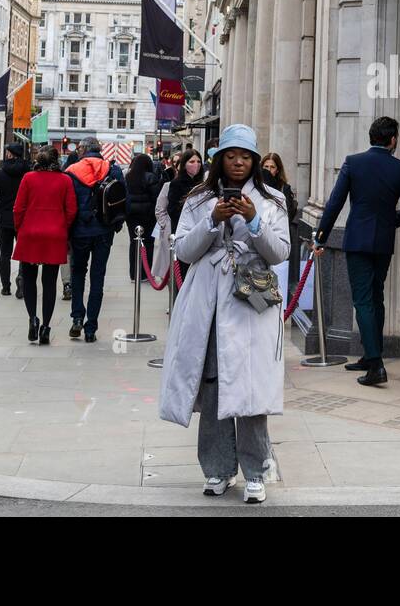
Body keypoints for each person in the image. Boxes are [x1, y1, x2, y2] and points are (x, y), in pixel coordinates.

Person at [159, 124, 291, 504]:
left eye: (245, 157)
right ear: (220, 161)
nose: (237, 162)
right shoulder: (199, 198)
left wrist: (253, 220)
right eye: (231, 156)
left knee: (251, 388)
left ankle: (255, 471)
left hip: (251, 302)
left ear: (254, 161)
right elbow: (183, 250)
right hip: (208, 302)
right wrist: (212, 219)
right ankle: (217, 469)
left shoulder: (273, 200)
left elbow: (279, 252)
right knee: (214, 384)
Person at [314, 116, 400, 387]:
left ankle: (375, 364)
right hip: (383, 243)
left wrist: (321, 237)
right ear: (393, 140)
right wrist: (387, 221)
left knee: (362, 300)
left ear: (371, 137)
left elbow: (334, 203)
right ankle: (370, 353)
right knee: (375, 297)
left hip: (358, 241)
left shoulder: (353, 162)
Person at [11, 146, 77, 345]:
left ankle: (32, 318)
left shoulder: (28, 178)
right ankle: (46, 326)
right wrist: (62, 227)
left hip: (30, 233)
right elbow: (71, 210)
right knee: (49, 283)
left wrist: (20, 228)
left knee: (29, 279)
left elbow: (18, 208)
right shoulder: (65, 180)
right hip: (54, 235)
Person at [65, 137, 126, 342]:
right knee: (97, 277)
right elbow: (122, 199)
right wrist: (116, 224)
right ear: (99, 150)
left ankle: (77, 318)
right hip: (103, 230)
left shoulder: (72, 171)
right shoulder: (113, 169)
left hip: (80, 231)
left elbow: (69, 204)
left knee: (78, 274)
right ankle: (91, 327)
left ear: (83, 150)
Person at [0, 144, 31, 296]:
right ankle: (22, 281)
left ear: (10, 154)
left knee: (5, 254)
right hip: (23, 218)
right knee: (23, 252)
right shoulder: (28, 173)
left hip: (4, 218)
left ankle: (5, 286)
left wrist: (0, 209)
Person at [262, 152, 300, 289]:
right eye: (265, 166)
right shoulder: (257, 186)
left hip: (278, 236)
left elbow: (287, 215)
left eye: (272, 167)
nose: (268, 170)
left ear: (277, 169)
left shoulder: (284, 188)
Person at [125, 152, 164, 281]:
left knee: (134, 243)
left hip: (131, 215)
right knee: (148, 243)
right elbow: (156, 197)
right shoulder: (151, 177)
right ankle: (145, 273)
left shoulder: (128, 177)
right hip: (148, 215)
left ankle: (133, 273)